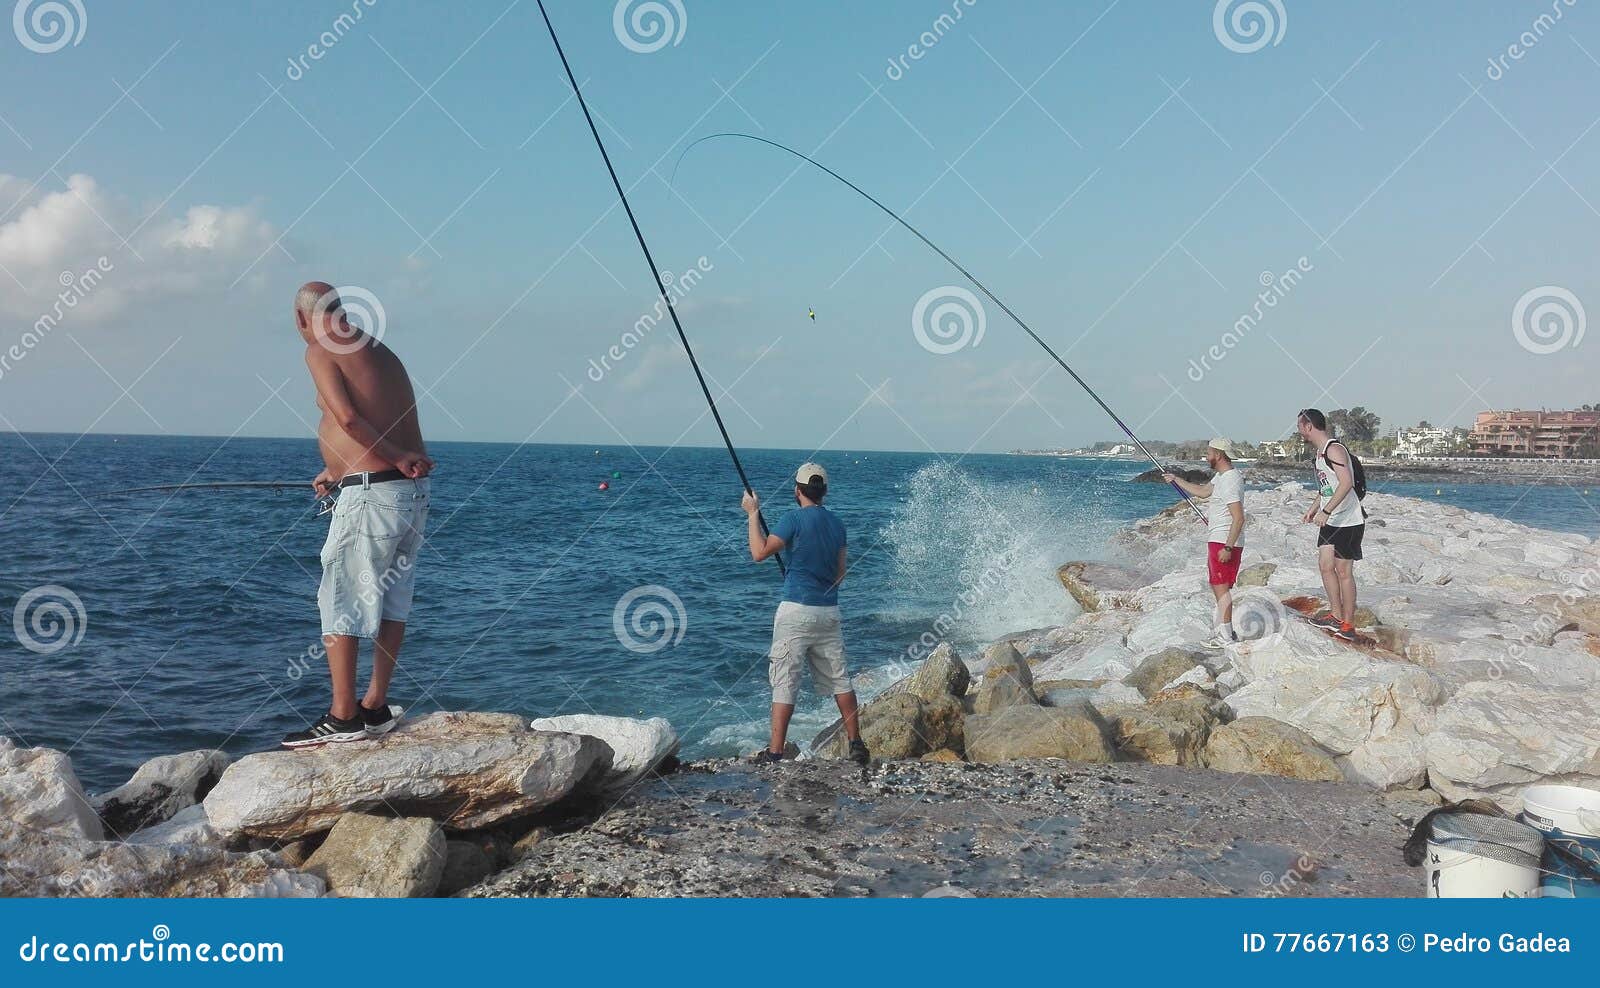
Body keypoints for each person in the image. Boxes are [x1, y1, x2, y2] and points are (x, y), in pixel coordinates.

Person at [283, 282, 435, 749]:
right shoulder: (379, 350)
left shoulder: (320, 348)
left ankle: (343, 715)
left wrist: (393, 456)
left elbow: (348, 418)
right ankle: (375, 705)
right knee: (393, 600)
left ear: (301, 319)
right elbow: (375, 417)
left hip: (374, 494)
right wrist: (335, 471)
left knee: (341, 600)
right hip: (406, 496)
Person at [742, 463, 869, 765]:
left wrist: (751, 514)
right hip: (828, 613)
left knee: (785, 681)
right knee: (840, 680)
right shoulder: (838, 525)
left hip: (795, 611)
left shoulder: (792, 519)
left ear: (797, 491)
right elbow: (840, 574)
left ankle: (775, 753)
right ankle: (856, 744)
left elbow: (759, 553)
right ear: (823, 492)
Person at [1164, 438, 1246, 649]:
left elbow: (1238, 518)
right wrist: (1176, 479)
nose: (1206, 456)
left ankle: (1226, 636)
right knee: (1218, 586)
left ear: (1218, 455)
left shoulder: (1229, 480)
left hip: (1223, 541)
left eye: (1209, 453)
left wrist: (1228, 547)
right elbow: (1203, 492)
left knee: (1221, 588)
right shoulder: (1222, 477)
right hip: (1219, 539)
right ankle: (1224, 631)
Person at [1295, 408, 1364, 642]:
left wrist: (1326, 510)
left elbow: (1346, 483)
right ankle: (1335, 615)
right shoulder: (1319, 453)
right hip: (1330, 519)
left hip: (1348, 520)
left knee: (1343, 571)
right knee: (1325, 566)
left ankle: (1348, 624)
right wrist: (1315, 506)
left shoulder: (1334, 449)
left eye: (1300, 427)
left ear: (1308, 426)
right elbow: (1328, 486)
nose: (1299, 432)